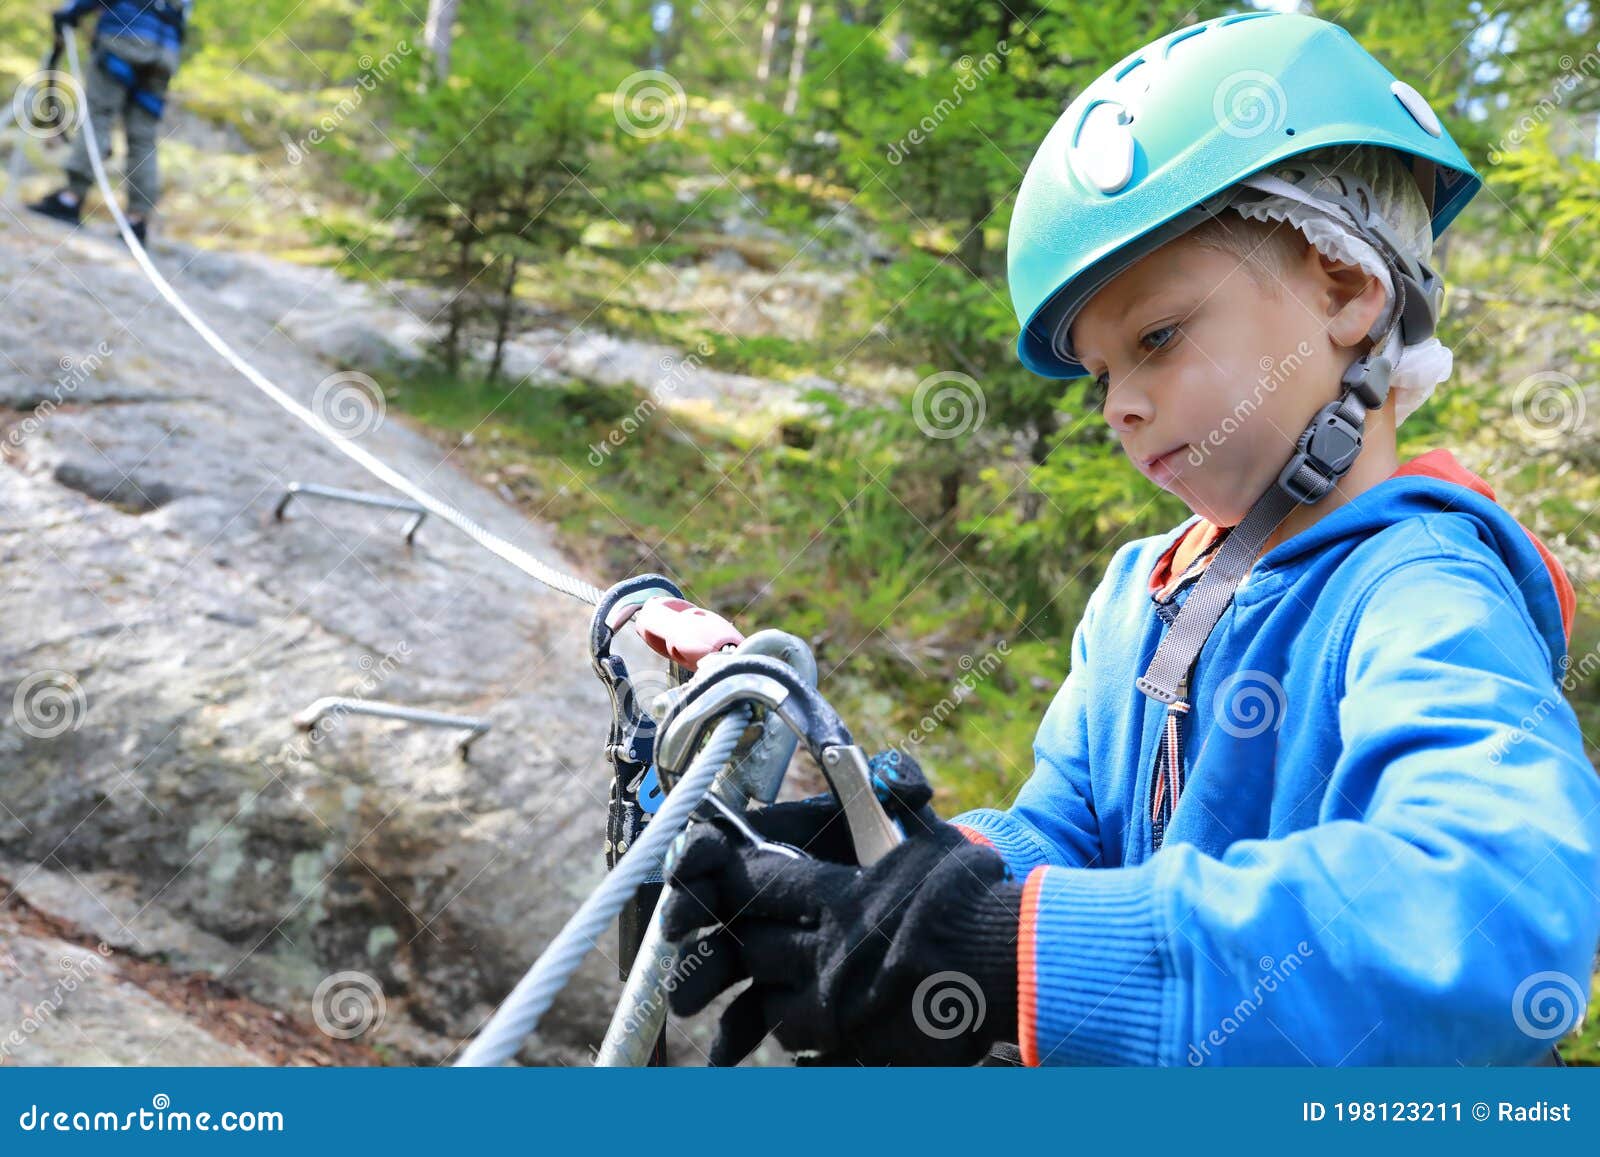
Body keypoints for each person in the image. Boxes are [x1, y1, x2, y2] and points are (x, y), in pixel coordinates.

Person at [657, 12, 1600, 1066]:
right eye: (1102, 373)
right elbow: (1071, 829)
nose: (1121, 406)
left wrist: (1011, 947)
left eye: (1156, 337)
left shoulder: (1422, 589)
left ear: (1345, 288)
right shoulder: (1138, 594)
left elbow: (1498, 913)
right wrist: (916, 871)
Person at [26, 0, 189, 246]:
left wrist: (71, 13)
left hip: (123, 38)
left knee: (98, 115)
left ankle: (71, 198)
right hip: (165, 51)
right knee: (143, 136)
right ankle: (137, 219)